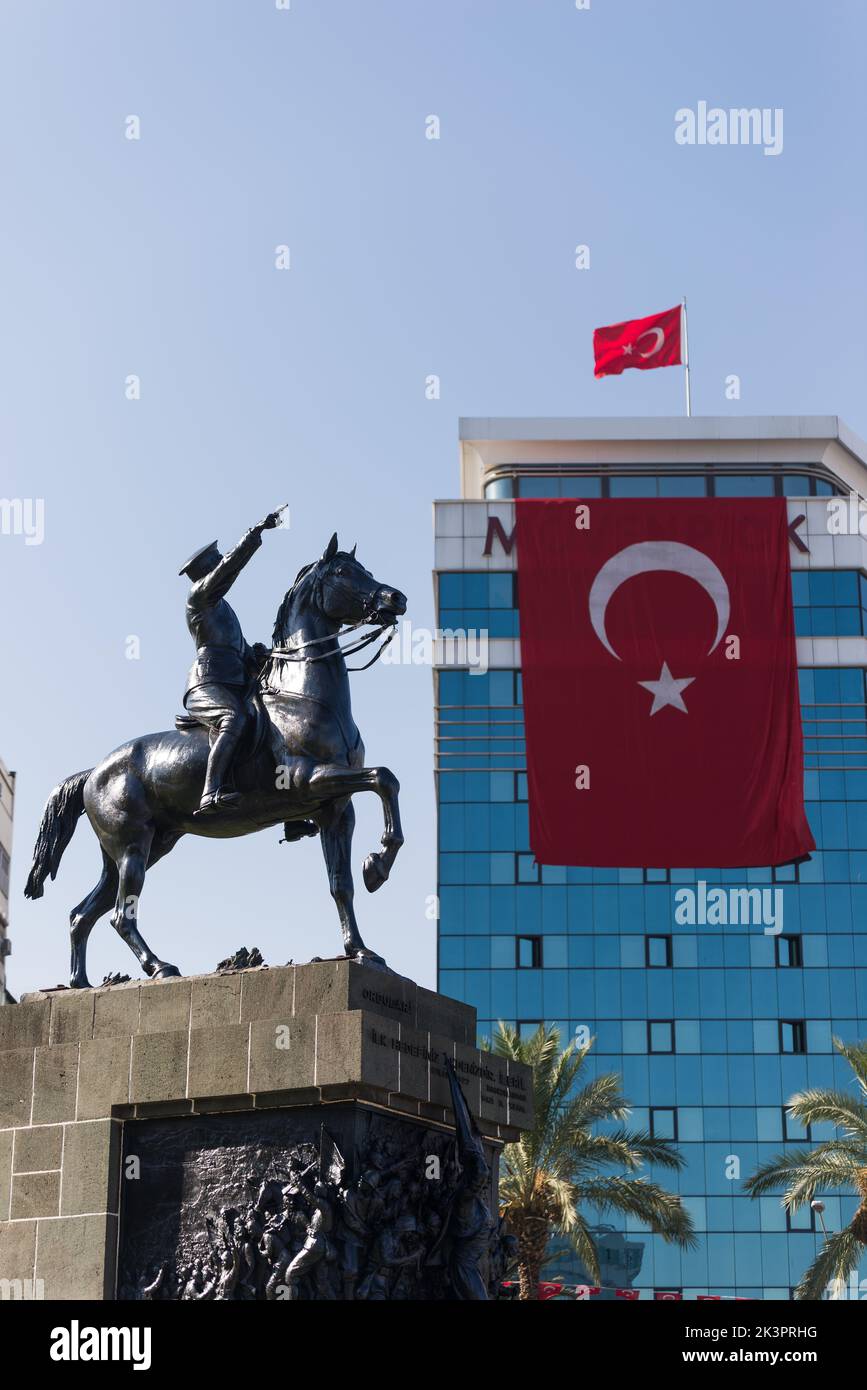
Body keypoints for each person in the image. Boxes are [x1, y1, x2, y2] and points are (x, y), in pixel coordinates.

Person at [178, 509, 283, 816]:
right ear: (207, 570)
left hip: (234, 679)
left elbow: (237, 650)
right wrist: (255, 533)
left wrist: (259, 655)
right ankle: (210, 791)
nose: (222, 559)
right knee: (233, 719)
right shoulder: (199, 597)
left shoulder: (222, 607)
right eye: (217, 560)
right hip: (207, 684)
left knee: (275, 720)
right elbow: (230, 567)